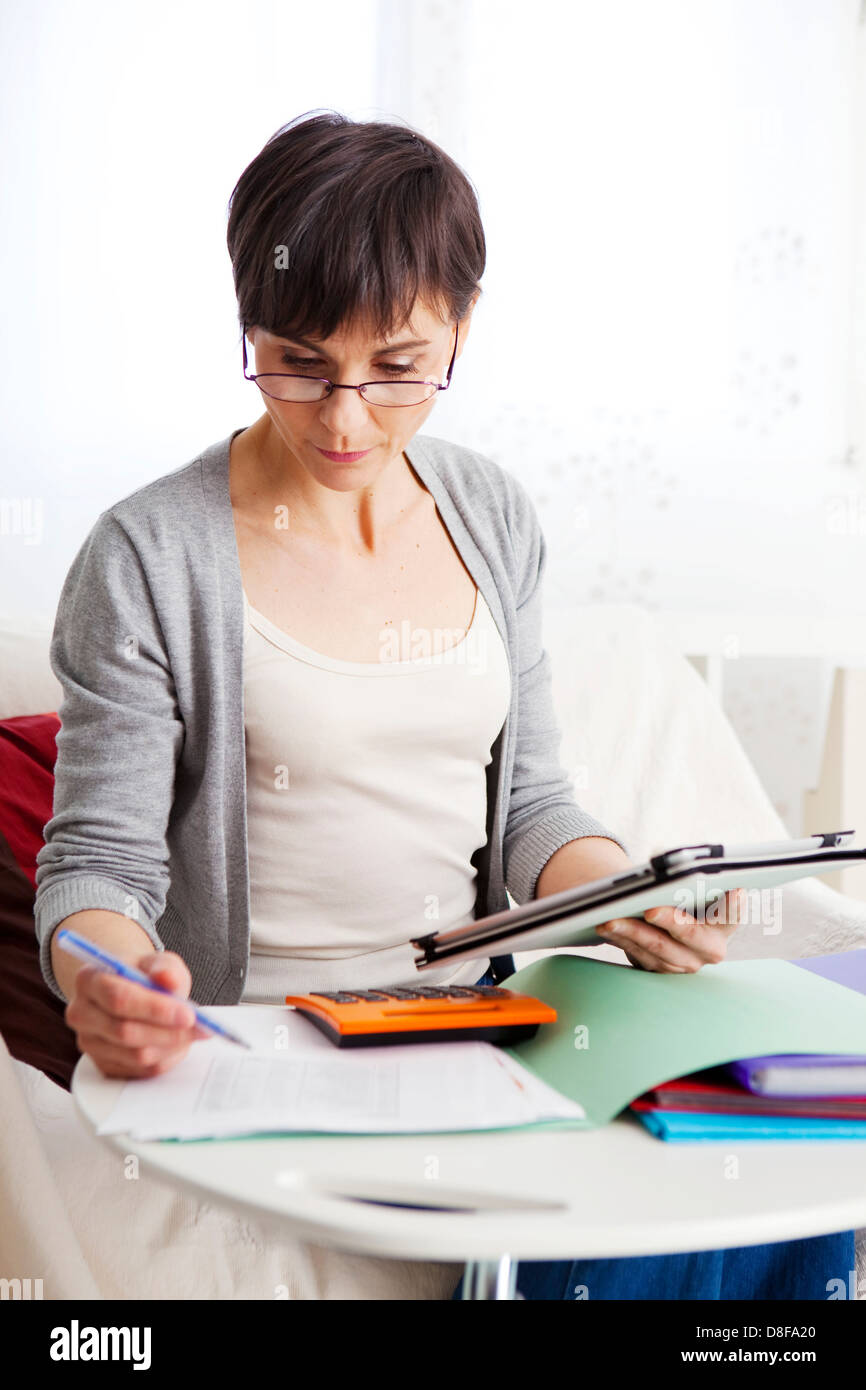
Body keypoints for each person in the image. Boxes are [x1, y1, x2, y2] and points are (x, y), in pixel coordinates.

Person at [34, 110, 853, 1301]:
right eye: (298, 361)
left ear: (461, 326)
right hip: (268, 1042)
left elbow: (532, 801)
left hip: (478, 1025)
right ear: (246, 326)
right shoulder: (147, 555)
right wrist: (102, 974)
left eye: (399, 368)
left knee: (754, 1161)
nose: (345, 418)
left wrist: (621, 896)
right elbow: (97, 864)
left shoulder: (489, 511)